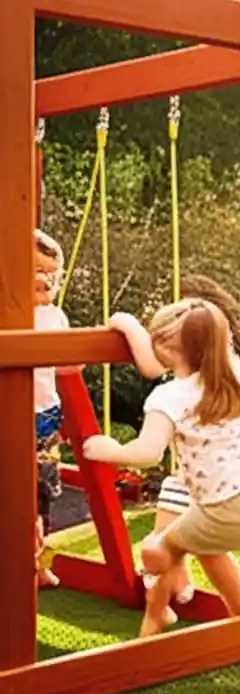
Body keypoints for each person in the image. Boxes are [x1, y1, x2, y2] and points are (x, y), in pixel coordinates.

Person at [87, 299, 240, 636]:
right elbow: (160, 360)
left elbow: (148, 453)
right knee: (206, 546)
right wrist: (130, 325)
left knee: (158, 549)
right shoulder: (232, 370)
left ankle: (158, 612)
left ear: (165, 348)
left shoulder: (169, 398)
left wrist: (111, 450)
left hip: (229, 510)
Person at [32, 230, 72, 588]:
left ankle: (38, 563)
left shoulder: (56, 316)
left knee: (42, 493)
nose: (44, 279)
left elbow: (69, 365)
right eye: (35, 270)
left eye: (51, 273)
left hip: (44, 416)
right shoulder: (9, 312)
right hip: (10, 411)